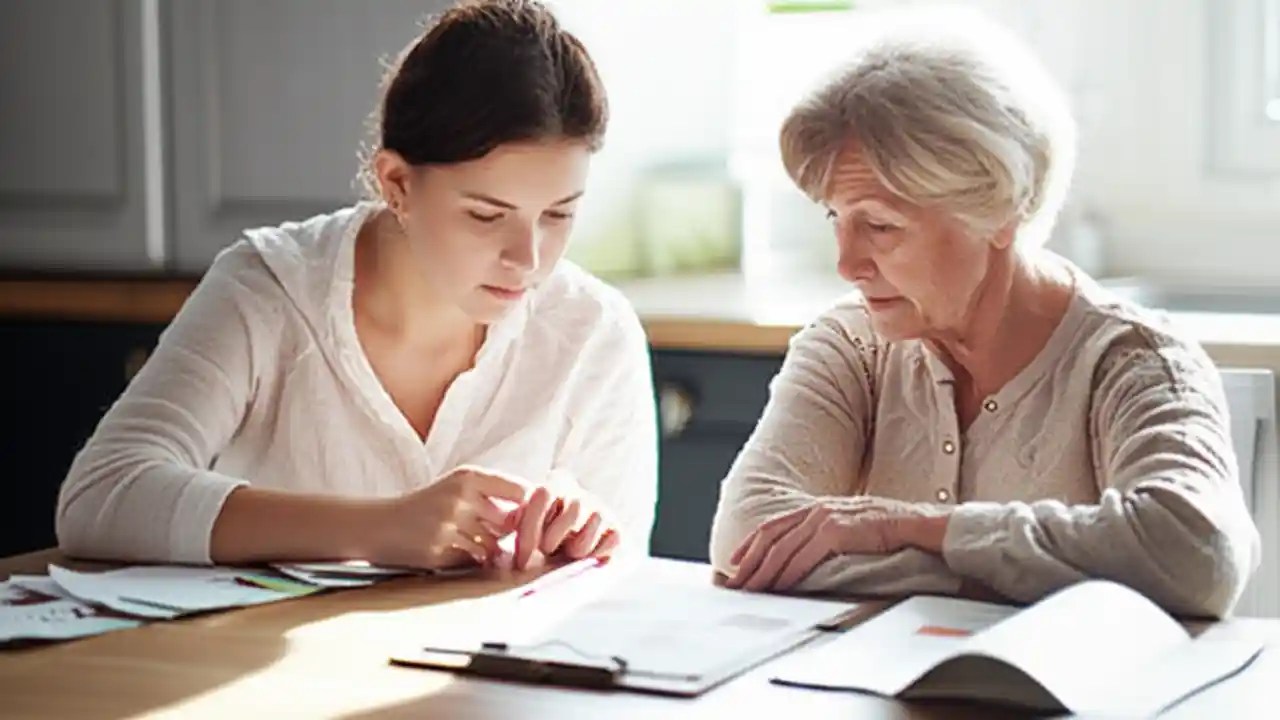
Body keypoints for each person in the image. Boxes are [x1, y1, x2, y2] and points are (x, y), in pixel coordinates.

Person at [56, 0, 657, 573]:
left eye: (559, 215)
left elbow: (616, 594)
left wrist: (591, 540)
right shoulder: (268, 288)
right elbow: (102, 493)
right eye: (485, 215)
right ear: (396, 183)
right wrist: (380, 529)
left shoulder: (594, 333)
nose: (528, 259)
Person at [709, 10, 1259, 618]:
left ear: (1002, 212)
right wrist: (1043, 573)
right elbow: (748, 537)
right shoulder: (850, 345)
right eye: (836, 218)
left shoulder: (1133, 363)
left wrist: (915, 529)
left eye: (881, 226)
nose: (847, 264)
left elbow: (1196, 556)